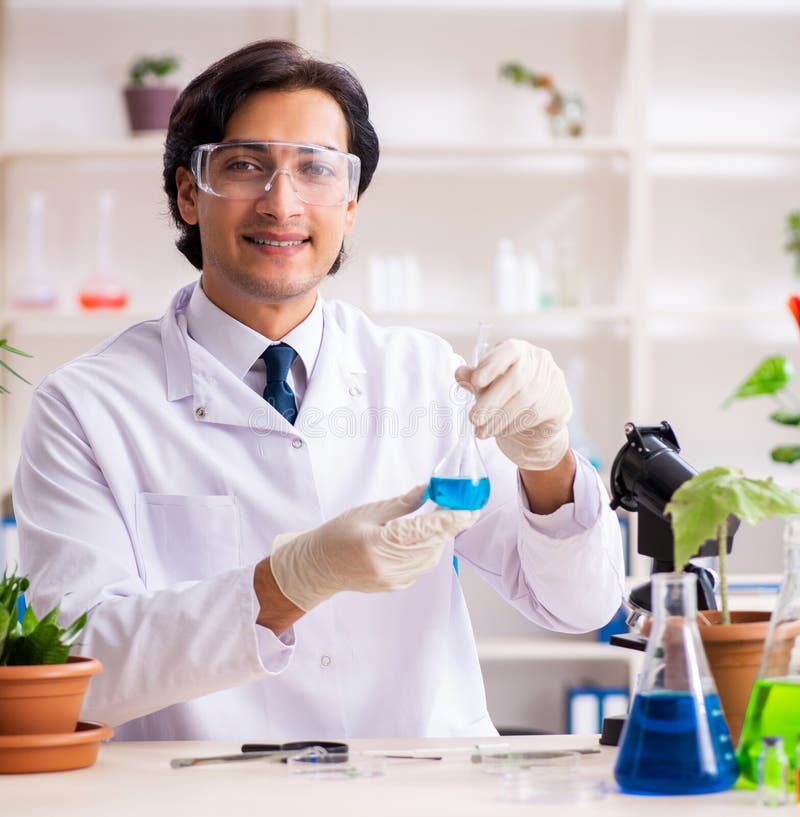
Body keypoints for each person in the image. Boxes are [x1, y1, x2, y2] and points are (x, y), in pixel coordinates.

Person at [14, 39, 624, 741]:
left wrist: (549, 461)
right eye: (246, 165)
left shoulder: (423, 375)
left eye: (315, 170)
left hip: (423, 789)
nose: (283, 201)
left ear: (351, 203)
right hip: (201, 795)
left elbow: (583, 604)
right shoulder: (86, 407)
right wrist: (286, 582)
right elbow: (77, 664)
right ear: (189, 192)